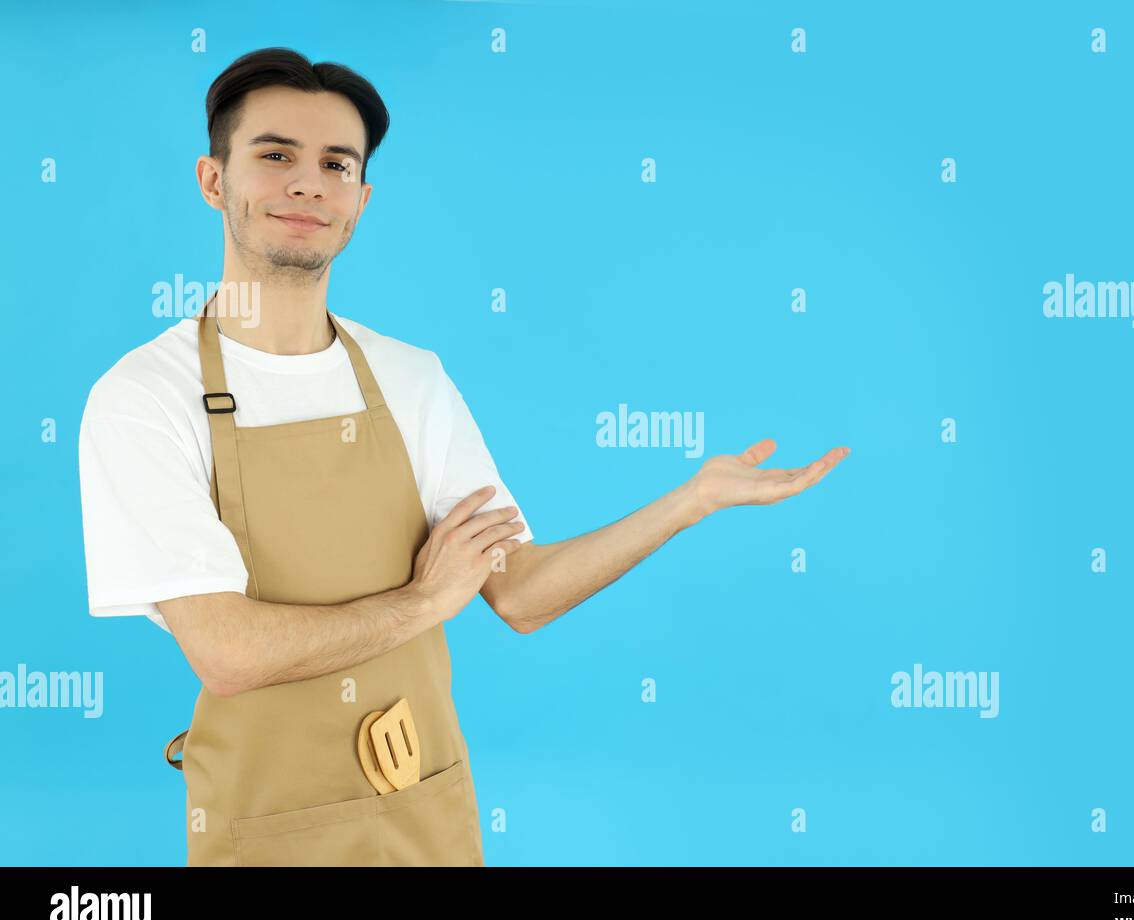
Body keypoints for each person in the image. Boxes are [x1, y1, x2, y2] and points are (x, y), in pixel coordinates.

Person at [77, 47, 849, 867]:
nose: (308, 184)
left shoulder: (411, 379)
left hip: (424, 813)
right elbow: (227, 653)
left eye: (336, 165)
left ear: (361, 200)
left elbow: (519, 593)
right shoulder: (145, 397)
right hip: (267, 826)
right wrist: (421, 603)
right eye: (275, 156)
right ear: (212, 180)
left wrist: (690, 500)